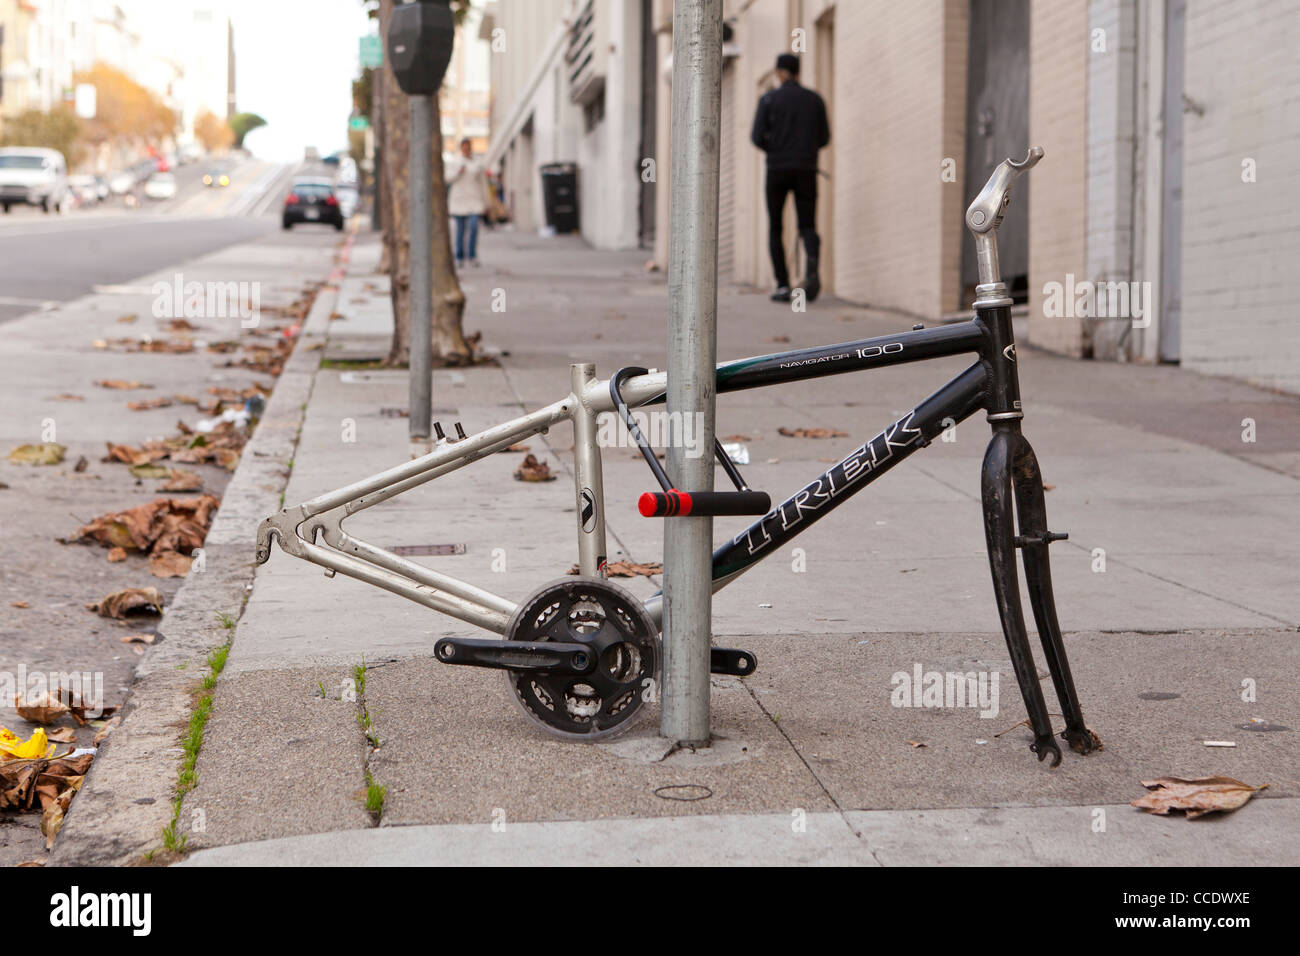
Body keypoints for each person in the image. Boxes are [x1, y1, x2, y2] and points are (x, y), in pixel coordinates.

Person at [750, 52, 831, 303]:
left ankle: (784, 285)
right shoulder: (814, 100)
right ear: (798, 72)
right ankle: (812, 269)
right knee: (807, 224)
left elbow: (755, 137)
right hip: (806, 168)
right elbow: (824, 138)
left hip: (777, 169)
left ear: (779, 73)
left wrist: (775, 148)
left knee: (776, 226)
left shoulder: (768, 100)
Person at [446, 138, 490, 267]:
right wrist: (458, 172)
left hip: (475, 199)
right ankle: (459, 256)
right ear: (461, 148)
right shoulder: (455, 161)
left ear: (470, 147)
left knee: (474, 226)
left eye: (468, 146)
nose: (466, 149)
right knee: (460, 230)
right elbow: (448, 179)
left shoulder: (478, 162)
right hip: (459, 200)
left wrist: (487, 202)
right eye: (463, 147)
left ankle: (472, 255)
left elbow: (483, 183)